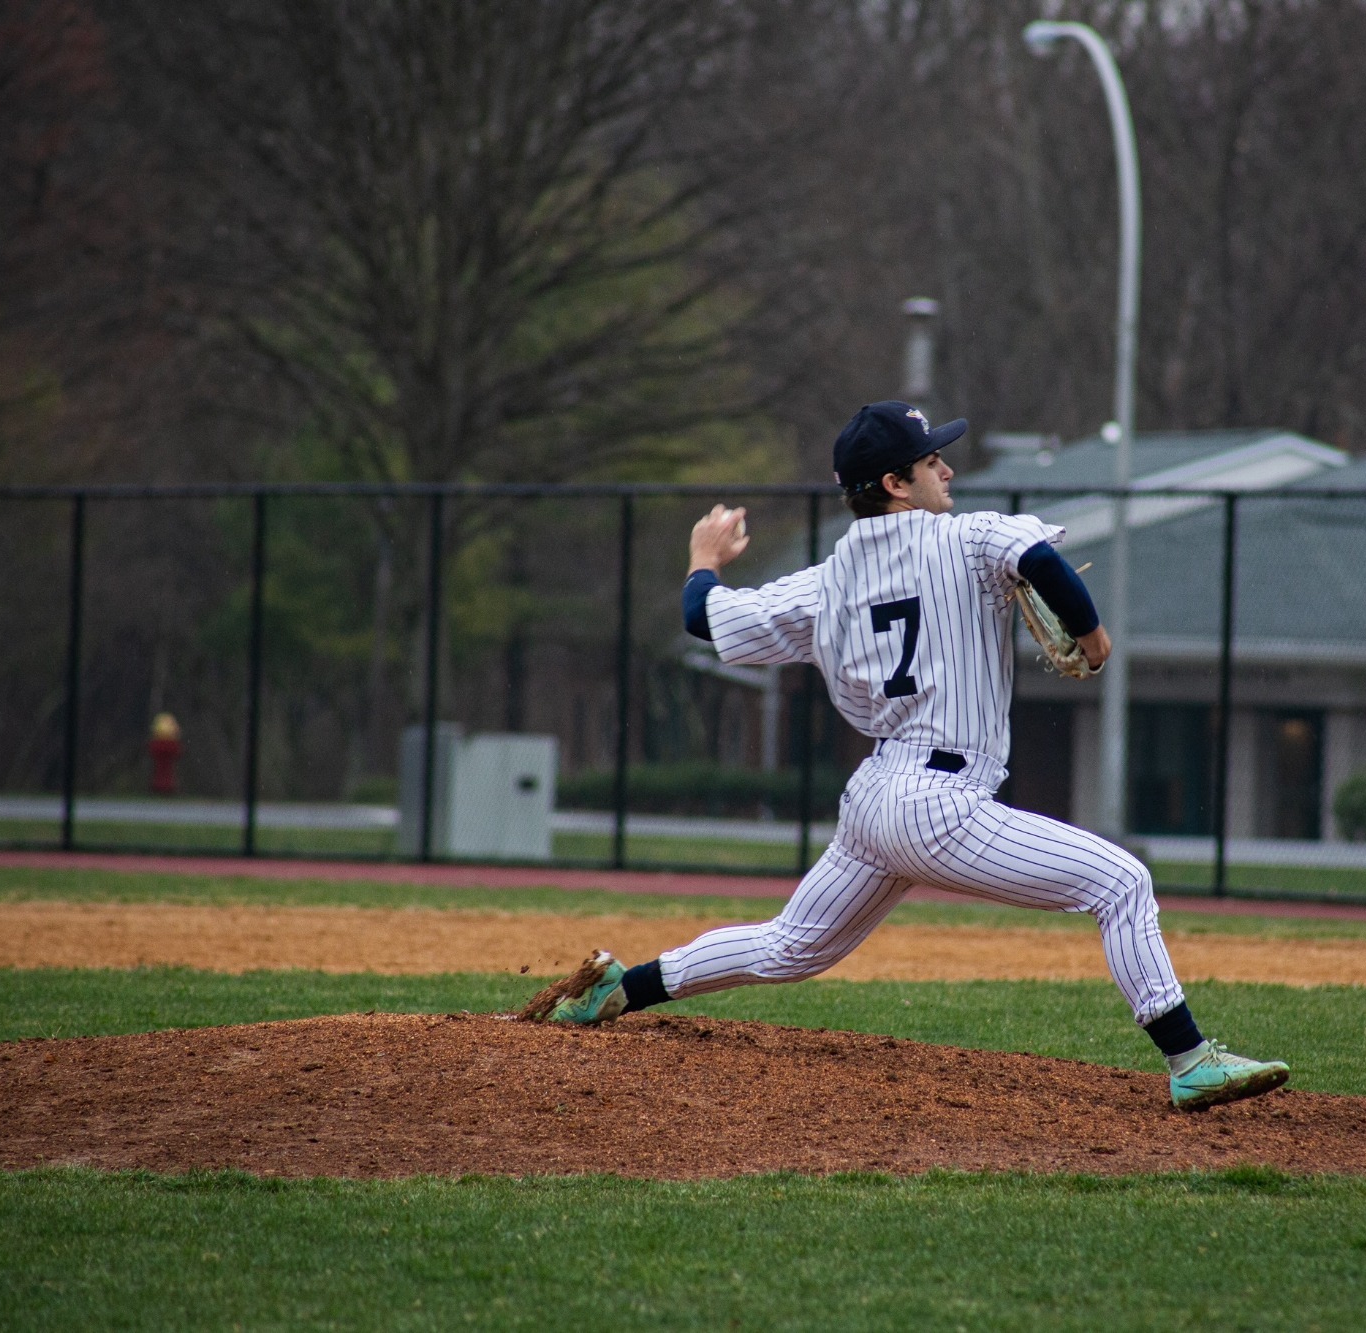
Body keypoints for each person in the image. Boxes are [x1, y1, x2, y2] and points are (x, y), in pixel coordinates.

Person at [551, 401, 1289, 1110]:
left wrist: (703, 559)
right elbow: (1037, 556)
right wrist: (1092, 637)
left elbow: (702, 619)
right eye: (933, 460)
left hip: (878, 796)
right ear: (897, 483)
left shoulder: (827, 580)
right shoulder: (968, 538)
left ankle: (620, 987)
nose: (949, 472)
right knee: (1121, 882)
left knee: (790, 946)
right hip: (941, 804)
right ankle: (1191, 1061)